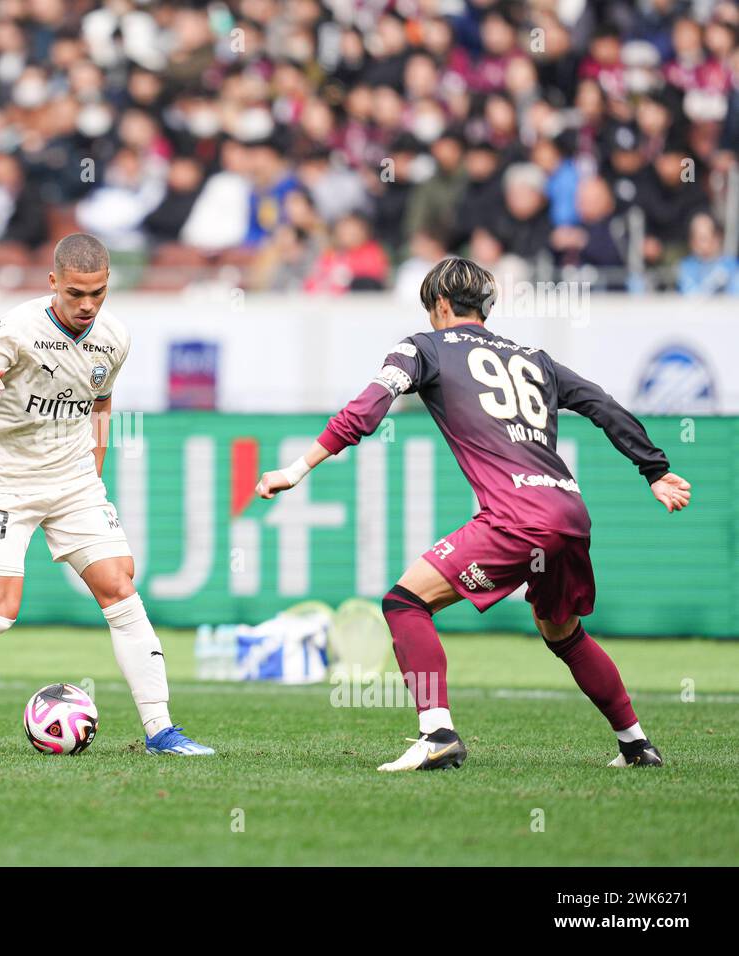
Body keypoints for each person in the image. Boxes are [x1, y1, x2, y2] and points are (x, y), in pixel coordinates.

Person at [256, 257, 691, 771]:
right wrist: (654, 470)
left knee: (404, 603)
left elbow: (367, 410)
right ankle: (636, 745)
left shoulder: (423, 346)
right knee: (563, 632)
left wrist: (297, 468)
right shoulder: (536, 358)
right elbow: (602, 404)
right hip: (569, 513)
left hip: (516, 518)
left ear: (440, 305)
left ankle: (436, 733)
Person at [0, 233, 214, 756]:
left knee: (119, 586)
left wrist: (96, 469)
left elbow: (101, 404)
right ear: (53, 285)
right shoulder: (18, 330)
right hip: (4, 481)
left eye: (98, 293)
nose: (87, 305)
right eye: (75, 294)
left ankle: (160, 730)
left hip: (73, 483)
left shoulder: (114, 337)